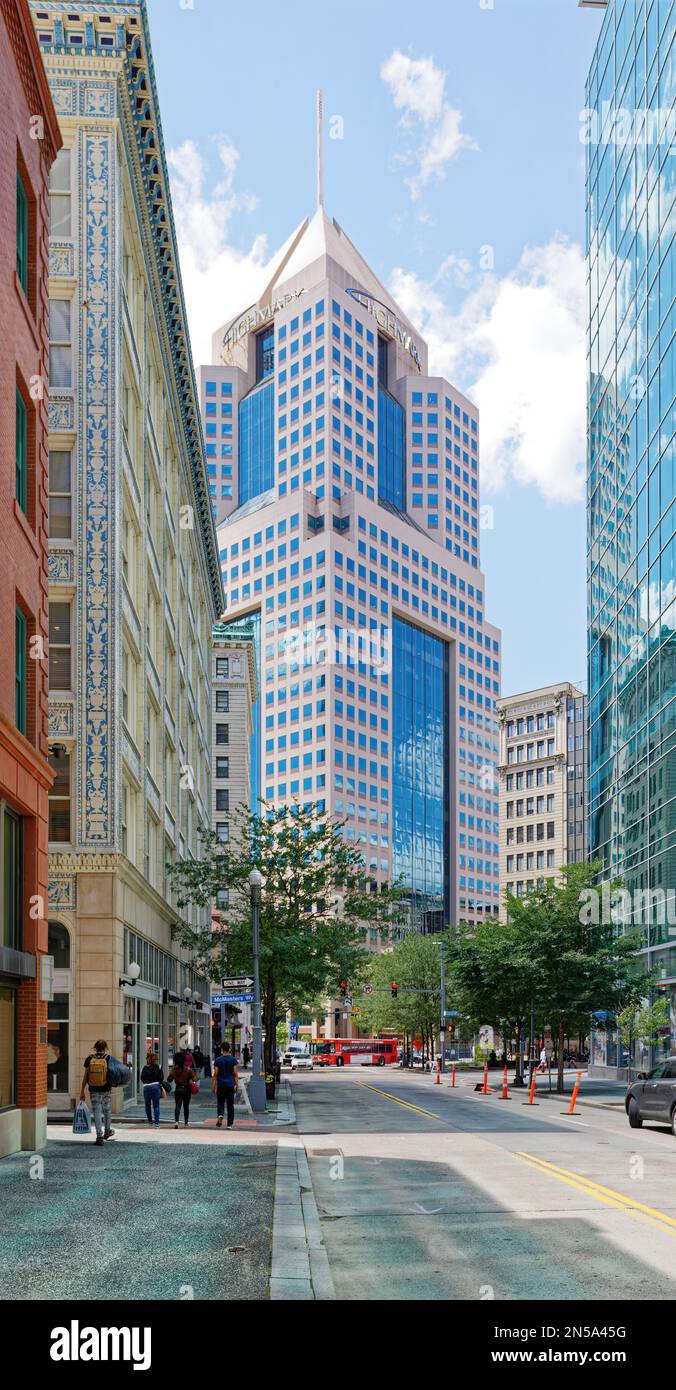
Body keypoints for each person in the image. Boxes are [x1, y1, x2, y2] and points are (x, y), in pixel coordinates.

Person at [80, 1039, 114, 1146]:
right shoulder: (109, 1058)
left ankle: (99, 1136)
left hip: (93, 1090)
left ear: (95, 1047)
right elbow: (113, 1075)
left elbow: (86, 1076)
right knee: (107, 1111)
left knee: (97, 1112)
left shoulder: (90, 1059)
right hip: (106, 1089)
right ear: (105, 1048)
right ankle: (107, 1131)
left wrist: (82, 1090)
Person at [212, 1042, 239, 1129]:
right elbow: (235, 1073)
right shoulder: (233, 1060)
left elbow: (215, 1074)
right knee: (230, 1105)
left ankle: (220, 1115)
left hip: (221, 1085)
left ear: (222, 1050)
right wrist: (237, 1085)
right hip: (230, 1085)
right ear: (229, 1049)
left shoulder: (218, 1060)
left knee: (220, 1102)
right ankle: (229, 1124)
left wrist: (213, 1086)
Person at [168, 1051, 197, 1128]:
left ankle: (176, 1122)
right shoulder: (188, 1069)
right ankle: (186, 1122)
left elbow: (169, 1080)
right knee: (186, 1106)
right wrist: (192, 1080)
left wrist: (172, 1074)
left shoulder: (174, 1070)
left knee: (177, 1106)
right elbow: (195, 1078)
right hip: (187, 1089)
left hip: (178, 1089)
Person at [140, 1052, 165, 1127]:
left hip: (146, 1087)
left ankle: (150, 1122)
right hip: (155, 1086)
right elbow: (161, 1078)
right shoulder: (158, 1067)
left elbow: (142, 1078)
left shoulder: (143, 1068)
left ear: (147, 1059)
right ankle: (156, 1123)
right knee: (156, 1106)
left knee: (147, 1105)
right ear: (155, 1059)